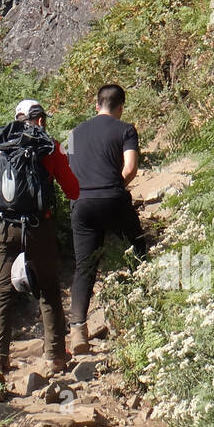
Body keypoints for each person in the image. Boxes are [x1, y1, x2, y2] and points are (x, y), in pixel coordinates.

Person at [0, 99, 79, 385]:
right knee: (48, 289)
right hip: (38, 227)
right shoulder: (51, 147)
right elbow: (73, 190)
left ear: (16, 119)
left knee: (0, 295)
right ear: (40, 120)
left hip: (2, 229)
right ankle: (55, 357)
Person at [66, 83, 148, 354]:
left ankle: (78, 330)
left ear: (96, 103)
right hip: (113, 198)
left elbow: (69, 172)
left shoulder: (74, 133)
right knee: (138, 250)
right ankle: (147, 310)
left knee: (84, 266)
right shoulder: (125, 129)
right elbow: (130, 168)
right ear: (121, 107)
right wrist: (113, 187)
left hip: (82, 203)